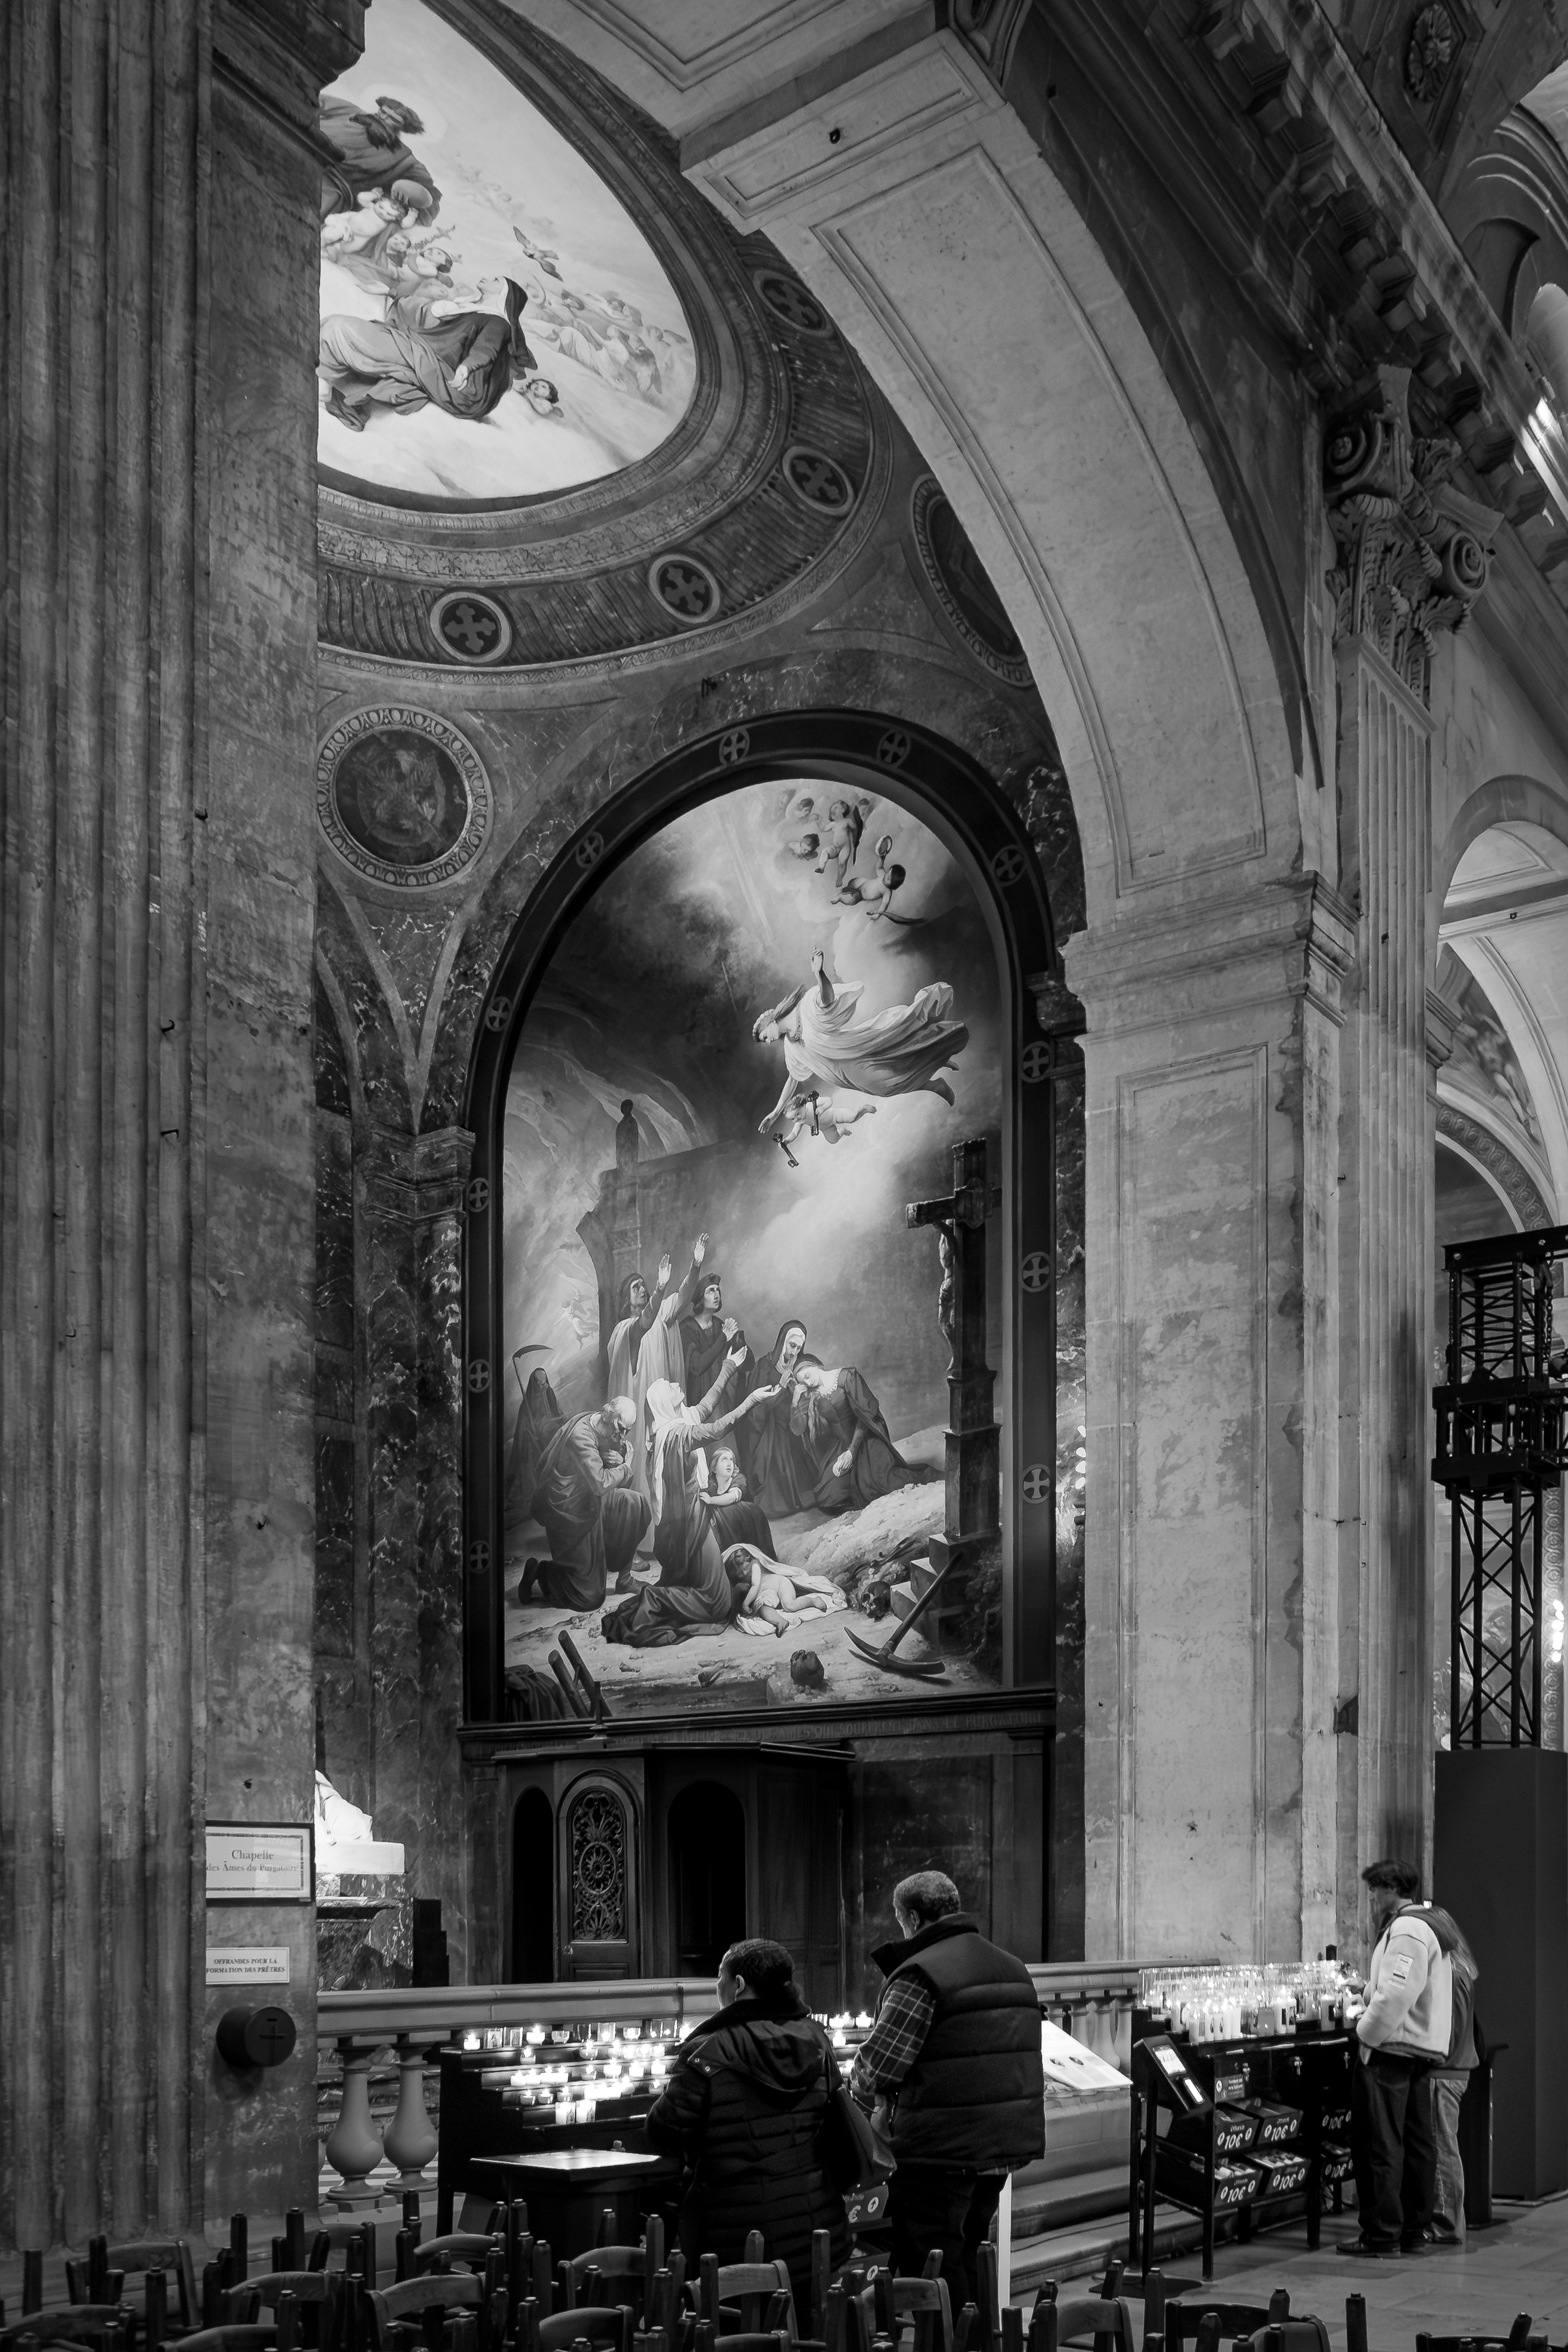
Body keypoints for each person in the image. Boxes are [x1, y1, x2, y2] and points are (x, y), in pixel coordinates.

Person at [850, 1870, 1044, 2312]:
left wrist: (854, 2088)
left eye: (899, 1919)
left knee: (931, 2264)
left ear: (913, 1918)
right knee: (970, 2251)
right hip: (1002, 2144)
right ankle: (980, 2341)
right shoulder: (1012, 1967)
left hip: (940, 2150)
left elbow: (879, 2066)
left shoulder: (921, 1974)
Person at [644, 1937, 848, 2313]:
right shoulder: (818, 2041)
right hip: (814, 2230)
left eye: (719, 1979)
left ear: (738, 1986)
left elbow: (664, 2130)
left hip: (735, 2236)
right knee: (803, 2329)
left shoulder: (708, 2051)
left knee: (739, 2332)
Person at [600, 1365, 777, 1647]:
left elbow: (707, 1406)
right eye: (670, 1387)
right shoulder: (678, 1434)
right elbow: (719, 1428)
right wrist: (752, 1400)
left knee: (720, 1575)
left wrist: (729, 1368)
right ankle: (654, 1600)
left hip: (691, 1519)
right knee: (717, 1604)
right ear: (661, 1402)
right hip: (694, 1523)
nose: (675, 1385)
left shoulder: (670, 1429)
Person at [1343, 1857, 1452, 2258]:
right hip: (1419, 2051)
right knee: (1417, 2143)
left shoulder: (1406, 1929)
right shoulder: (1429, 1923)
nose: (1371, 1898)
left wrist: (1365, 2034)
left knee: (1382, 2145)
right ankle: (1412, 2230)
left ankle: (1382, 2234)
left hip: (1392, 2052)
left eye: (1374, 1890)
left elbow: (1398, 1992)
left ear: (1391, 1890)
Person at [754, 948, 967, 1138]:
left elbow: (827, 1001)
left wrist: (820, 974)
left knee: (888, 1078)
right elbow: (793, 1079)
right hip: (844, 1075)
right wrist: (775, 1113)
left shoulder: (807, 1007)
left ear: (770, 1021)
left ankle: (934, 1079)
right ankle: (935, 1072)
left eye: (765, 1036)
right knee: (890, 1077)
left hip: (854, 1053)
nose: (769, 1041)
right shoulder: (791, 1047)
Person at [319, 276, 535, 432]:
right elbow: (424, 312)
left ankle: (329, 382)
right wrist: (389, 291)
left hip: (442, 372)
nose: (488, 279)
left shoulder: (498, 322)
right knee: (336, 327)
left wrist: (465, 369)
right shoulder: (464, 308)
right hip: (421, 350)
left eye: (496, 281)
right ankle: (329, 378)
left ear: (503, 295)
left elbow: (486, 350)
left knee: (338, 328)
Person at [516, 1397, 650, 1610]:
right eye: (621, 1428)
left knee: (634, 1503)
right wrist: (626, 1466)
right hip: (570, 1512)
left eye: (628, 1430)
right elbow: (601, 1484)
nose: (622, 1436)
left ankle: (624, 1579)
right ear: (609, 1416)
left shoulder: (607, 1430)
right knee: (589, 1599)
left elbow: (617, 1482)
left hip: (592, 1502)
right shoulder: (581, 1436)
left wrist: (620, 1462)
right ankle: (542, 1572)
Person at [1418, 1900, 1479, 2247]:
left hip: (1446, 2072)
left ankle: (1448, 2225)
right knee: (1443, 2147)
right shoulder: (1460, 1968)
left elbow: (1450, 2032)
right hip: (1452, 2070)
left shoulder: (1452, 1974)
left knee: (1443, 2150)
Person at [789, 1360, 912, 1512]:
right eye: (804, 1382)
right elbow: (797, 1429)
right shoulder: (811, 1395)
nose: (808, 1382)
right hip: (841, 1446)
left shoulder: (847, 1377)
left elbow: (867, 1415)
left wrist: (851, 1452)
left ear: (815, 1366)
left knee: (876, 1485)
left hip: (866, 1437)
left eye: (807, 1376)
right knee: (828, 1498)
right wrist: (795, 1403)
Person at [740, 1318, 821, 1518]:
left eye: (799, 1348)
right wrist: (781, 1390)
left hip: (794, 1428)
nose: (794, 1352)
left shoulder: (800, 1368)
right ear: (783, 1341)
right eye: (792, 1346)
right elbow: (755, 1412)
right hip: (771, 1433)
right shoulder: (764, 1367)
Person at [319, 93, 440, 219]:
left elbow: (428, 191)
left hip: (331, 183)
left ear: (403, 127)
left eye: (393, 119)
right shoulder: (350, 111)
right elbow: (313, 97)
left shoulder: (403, 158)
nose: (382, 118)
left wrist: (411, 190)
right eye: (383, 112)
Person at [681, 1269, 746, 1408]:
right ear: (701, 1297)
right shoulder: (687, 1329)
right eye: (711, 1291)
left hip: (722, 1400)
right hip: (699, 1401)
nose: (717, 1295)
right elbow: (697, 1367)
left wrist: (736, 1340)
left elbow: (747, 1364)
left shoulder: (719, 1325)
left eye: (718, 1290)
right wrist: (724, 1337)